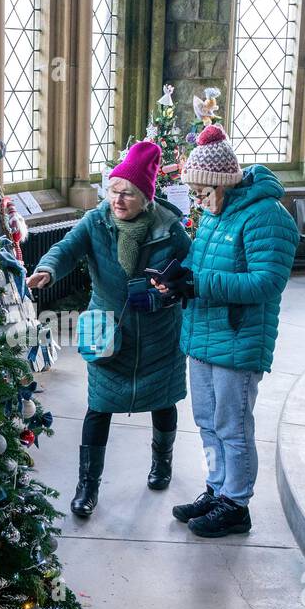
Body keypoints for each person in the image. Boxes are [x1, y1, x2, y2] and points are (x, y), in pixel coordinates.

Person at [25, 141, 191, 517]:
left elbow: (190, 269)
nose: (118, 199)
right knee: (98, 407)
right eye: (114, 189)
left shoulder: (170, 230)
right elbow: (66, 249)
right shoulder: (95, 222)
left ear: (146, 198)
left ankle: (162, 464)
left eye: (128, 193)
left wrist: (175, 285)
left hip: (158, 331)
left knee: (163, 401)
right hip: (106, 330)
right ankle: (88, 486)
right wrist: (48, 269)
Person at [153, 125, 298, 537]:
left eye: (202, 193)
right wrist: (177, 278)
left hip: (238, 338)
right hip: (203, 334)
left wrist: (199, 284)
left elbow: (267, 282)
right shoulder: (217, 215)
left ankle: (237, 505)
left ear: (222, 183)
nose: (198, 201)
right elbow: (205, 267)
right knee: (206, 422)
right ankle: (217, 489)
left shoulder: (267, 216)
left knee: (232, 425)